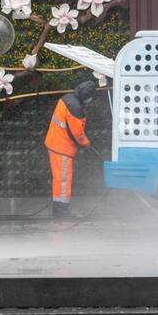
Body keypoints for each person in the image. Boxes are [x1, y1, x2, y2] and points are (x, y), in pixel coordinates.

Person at [43, 80, 97, 218]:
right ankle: (61, 211)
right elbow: (77, 134)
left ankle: (57, 209)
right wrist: (86, 143)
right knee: (63, 180)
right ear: (87, 97)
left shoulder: (67, 98)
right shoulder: (76, 108)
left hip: (54, 143)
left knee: (58, 179)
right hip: (62, 148)